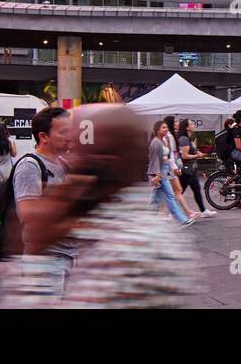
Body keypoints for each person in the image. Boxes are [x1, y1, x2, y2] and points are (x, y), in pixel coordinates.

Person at [45, 106, 196, 308]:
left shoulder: (128, 247)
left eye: (87, 154)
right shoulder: (109, 228)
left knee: (166, 196)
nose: (73, 161)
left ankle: (181, 216)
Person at [2, 107, 75, 306]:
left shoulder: (62, 164)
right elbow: (27, 214)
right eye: (64, 132)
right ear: (43, 136)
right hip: (46, 259)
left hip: (69, 254)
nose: (71, 136)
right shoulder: (30, 166)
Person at [148, 120, 194, 227]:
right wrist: (157, 176)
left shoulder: (164, 140)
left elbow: (169, 157)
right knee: (170, 195)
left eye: (166, 127)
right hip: (160, 171)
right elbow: (154, 161)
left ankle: (149, 219)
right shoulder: (155, 142)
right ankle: (182, 219)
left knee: (157, 198)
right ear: (157, 130)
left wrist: (172, 168)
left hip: (165, 169)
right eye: (163, 128)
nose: (166, 129)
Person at [177, 119, 215, 217]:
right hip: (186, 169)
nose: (194, 125)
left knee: (196, 189)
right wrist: (197, 156)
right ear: (187, 127)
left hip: (191, 169)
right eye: (191, 124)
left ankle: (203, 211)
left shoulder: (189, 138)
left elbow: (190, 152)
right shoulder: (184, 139)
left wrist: (196, 153)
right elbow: (184, 156)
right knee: (179, 192)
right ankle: (172, 212)